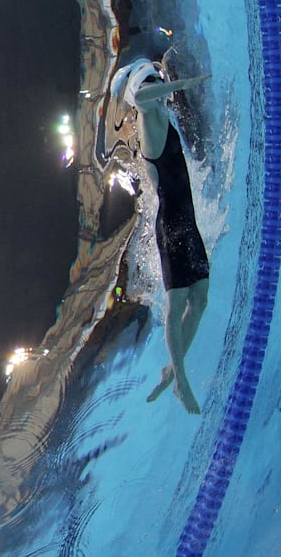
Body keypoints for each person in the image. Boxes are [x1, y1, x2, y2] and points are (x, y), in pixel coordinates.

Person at [111, 54, 210, 414]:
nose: (158, 91)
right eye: (153, 84)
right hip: (171, 224)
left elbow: (146, 95)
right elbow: (139, 98)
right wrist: (186, 83)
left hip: (188, 219)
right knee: (177, 305)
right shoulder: (146, 120)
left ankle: (173, 367)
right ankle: (181, 382)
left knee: (201, 299)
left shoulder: (160, 115)